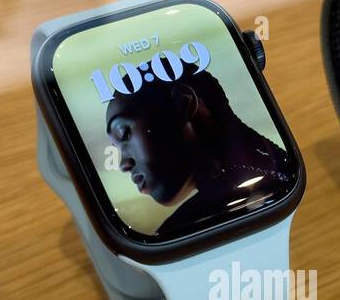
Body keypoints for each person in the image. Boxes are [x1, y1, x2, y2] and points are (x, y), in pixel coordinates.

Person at [104, 68, 292, 234]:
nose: (123, 164)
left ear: (183, 103)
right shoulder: (282, 169)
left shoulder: (173, 231)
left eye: (124, 133)